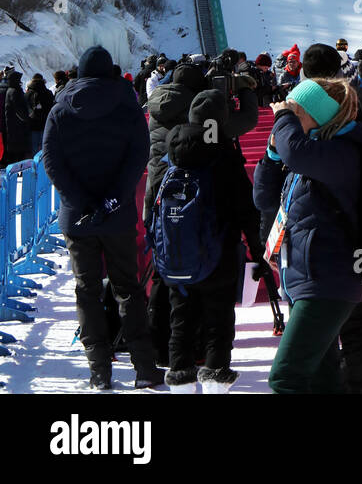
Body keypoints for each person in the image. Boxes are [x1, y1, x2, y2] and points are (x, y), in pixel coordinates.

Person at [254, 77, 362, 394]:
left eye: (296, 111)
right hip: (306, 277)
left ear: (319, 116)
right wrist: (272, 156)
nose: (289, 117)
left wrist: (283, 120)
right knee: (323, 380)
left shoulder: (341, 153)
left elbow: (296, 152)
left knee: (286, 378)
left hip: (327, 281)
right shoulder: (313, 152)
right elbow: (264, 198)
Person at [42, 46, 162, 391]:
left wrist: (80, 202)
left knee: (87, 291)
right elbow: (139, 155)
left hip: (77, 218)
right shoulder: (126, 105)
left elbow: (52, 161)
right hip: (117, 215)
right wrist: (112, 199)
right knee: (129, 289)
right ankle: (143, 366)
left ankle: (99, 370)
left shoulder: (61, 108)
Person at [162, 89, 267, 394]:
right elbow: (244, 207)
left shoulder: (174, 152)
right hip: (219, 253)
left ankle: (180, 382)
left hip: (177, 254)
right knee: (218, 321)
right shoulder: (224, 155)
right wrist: (257, 250)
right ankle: (215, 383)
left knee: (180, 320)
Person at [143, 61, 211, 364]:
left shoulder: (157, 102)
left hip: (156, 188)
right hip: (184, 190)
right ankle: (190, 342)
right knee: (190, 267)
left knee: (162, 267)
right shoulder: (193, 108)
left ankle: (156, 339)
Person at [0, 70, 32, 166]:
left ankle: (17, 175)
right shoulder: (14, 91)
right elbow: (19, 110)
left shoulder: (11, 90)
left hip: (12, 128)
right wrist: (27, 119)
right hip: (16, 128)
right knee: (18, 157)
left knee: (15, 154)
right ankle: (19, 177)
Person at [25, 73, 55, 154]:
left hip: (32, 123)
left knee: (34, 146)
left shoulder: (28, 94)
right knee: (44, 146)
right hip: (45, 123)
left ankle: (35, 163)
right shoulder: (48, 92)